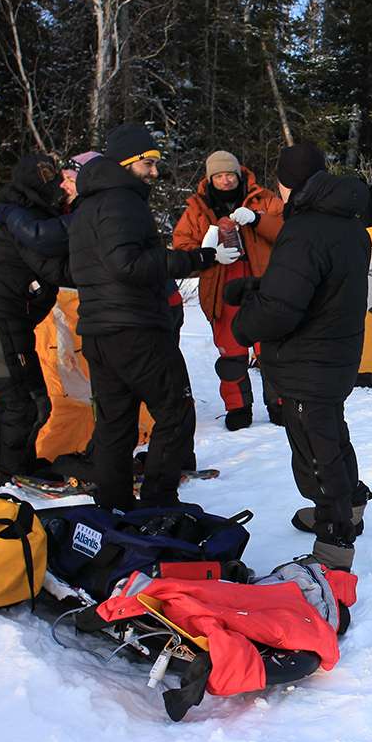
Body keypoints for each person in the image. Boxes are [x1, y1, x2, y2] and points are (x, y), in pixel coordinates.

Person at [68, 124, 240, 509]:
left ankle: (113, 506)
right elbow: (127, 263)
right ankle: (158, 502)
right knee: (176, 414)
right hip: (135, 328)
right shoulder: (122, 201)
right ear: (127, 162)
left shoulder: (87, 206)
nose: (155, 172)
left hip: (99, 330)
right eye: (148, 163)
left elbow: (82, 267)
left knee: (115, 423)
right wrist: (199, 258)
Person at [229, 143, 372, 571]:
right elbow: (318, 286)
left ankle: (334, 539)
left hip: (307, 361)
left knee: (315, 450)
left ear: (284, 183)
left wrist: (244, 325)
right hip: (335, 354)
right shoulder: (350, 225)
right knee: (331, 432)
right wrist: (257, 287)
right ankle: (352, 504)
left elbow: (281, 309)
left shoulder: (305, 229)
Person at [0, 155, 72, 485]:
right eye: (54, 182)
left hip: (3, 319)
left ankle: (14, 468)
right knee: (20, 404)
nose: (61, 187)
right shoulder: (24, 220)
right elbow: (48, 247)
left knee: (24, 402)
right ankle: (11, 477)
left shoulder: (32, 215)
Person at [172, 150, 284, 430]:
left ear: (239, 174)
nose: (225, 181)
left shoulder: (265, 200)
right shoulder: (196, 208)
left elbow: (287, 232)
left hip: (263, 282)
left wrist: (257, 220)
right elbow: (182, 247)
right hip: (222, 285)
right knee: (231, 351)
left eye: (229, 175)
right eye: (219, 176)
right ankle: (238, 407)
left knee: (271, 346)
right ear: (210, 178)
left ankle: (280, 403)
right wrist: (208, 254)